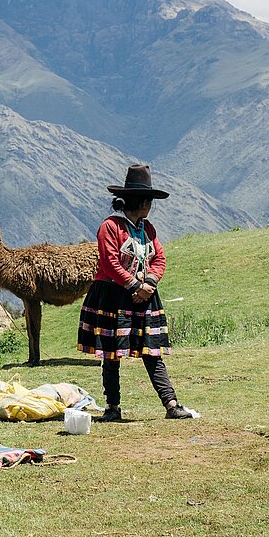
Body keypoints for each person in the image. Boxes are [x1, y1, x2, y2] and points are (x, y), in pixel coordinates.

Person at [77, 164, 194, 421]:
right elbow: (109, 262)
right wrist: (135, 286)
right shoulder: (110, 227)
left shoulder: (147, 229)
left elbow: (159, 258)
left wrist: (148, 284)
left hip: (143, 297)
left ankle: (171, 404)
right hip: (113, 296)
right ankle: (113, 407)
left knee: (151, 351)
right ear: (141, 202)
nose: (150, 206)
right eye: (149, 201)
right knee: (111, 354)